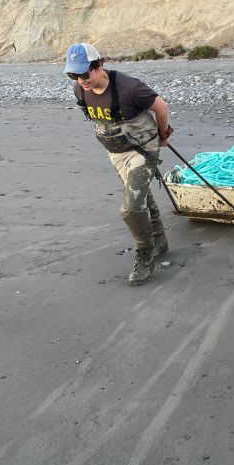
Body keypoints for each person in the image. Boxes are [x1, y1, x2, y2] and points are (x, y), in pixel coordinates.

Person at [64, 42, 171, 286]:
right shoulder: (80, 90)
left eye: (84, 73)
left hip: (142, 150)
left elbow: (161, 106)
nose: (80, 80)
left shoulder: (130, 88)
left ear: (99, 64)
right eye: (73, 75)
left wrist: (163, 133)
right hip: (116, 151)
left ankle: (145, 254)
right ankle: (159, 239)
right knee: (141, 197)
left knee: (131, 208)